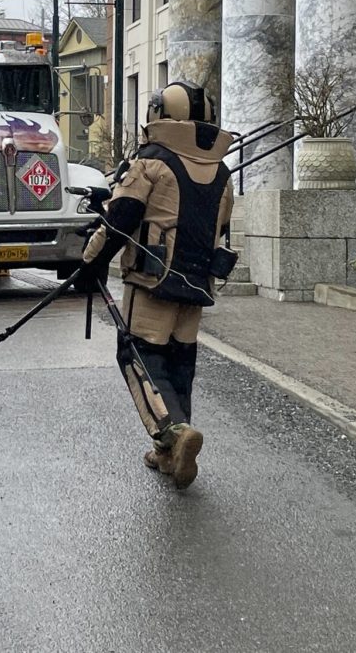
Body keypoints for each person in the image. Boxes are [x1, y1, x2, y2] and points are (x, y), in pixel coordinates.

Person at [79, 80, 234, 489]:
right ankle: (171, 452)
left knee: (139, 356)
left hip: (151, 282)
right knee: (180, 362)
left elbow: (121, 219)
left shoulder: (150, 162)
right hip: (198, 285)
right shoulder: (222, 171)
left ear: (159, 114)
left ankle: (174, 432)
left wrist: (90, 262)